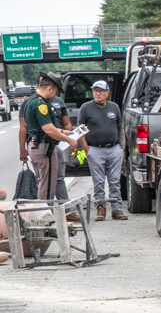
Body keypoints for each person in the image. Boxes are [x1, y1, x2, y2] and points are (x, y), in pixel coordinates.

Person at [18, 79, 80, 220]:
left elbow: (41, 127)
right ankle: (43, 218)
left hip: (37, 145)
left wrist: (62, 132)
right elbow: (48, 129)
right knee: (47, 188)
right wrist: (70, 140)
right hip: (43, 148)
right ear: (50, 88)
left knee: (44, 183)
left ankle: (43, 216)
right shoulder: (41, 104)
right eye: (57, 91)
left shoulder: (32, 101)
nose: (56, 95)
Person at [78, 80, 126, 221]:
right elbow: (80, 130)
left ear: (107, 93)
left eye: (100, 91)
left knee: (115, 180)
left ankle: (116, 209)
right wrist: (86, 149)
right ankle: (100, 208)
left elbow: (120, 128)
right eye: (95, 91)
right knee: (98, 181)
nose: (97, 94)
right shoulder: (86, 108)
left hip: (114, 148)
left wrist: (121, 148)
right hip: (95, 149)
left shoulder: (114, 107)